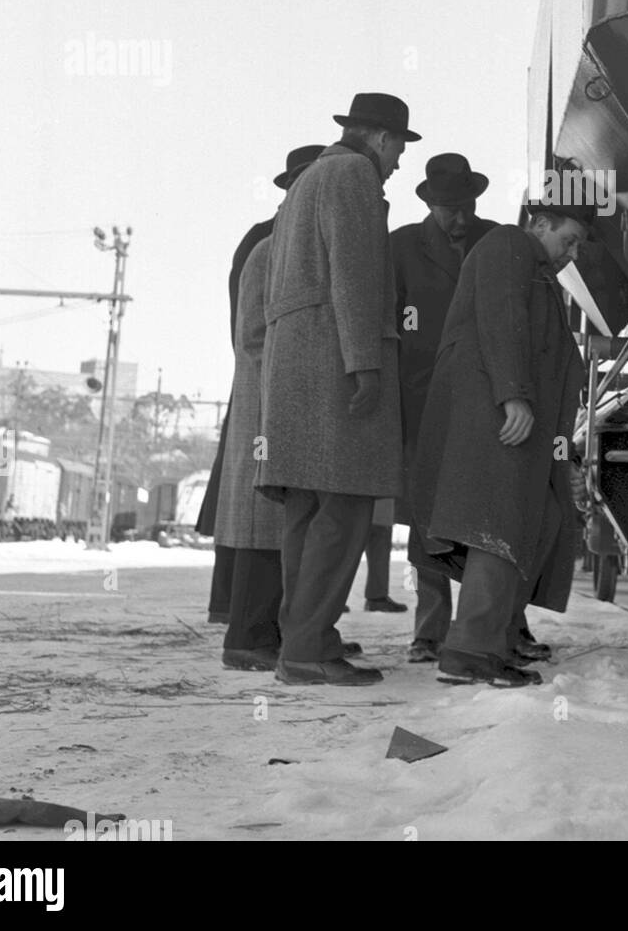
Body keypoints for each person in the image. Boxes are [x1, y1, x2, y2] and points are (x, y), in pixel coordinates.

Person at [256, 94, 417, 687]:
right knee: (345, 508)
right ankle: (305, 650)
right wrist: (364, 363)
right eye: (399, 146)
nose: (399, 160)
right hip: (335, 364)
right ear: (379, 138)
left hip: (297, 365)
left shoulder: (307, 182)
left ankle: (303, 639)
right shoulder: (353, 174)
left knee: (308, 508)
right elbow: (353, 272)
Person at [407, 201, 590, 687]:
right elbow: (501, 318)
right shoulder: (510, 244)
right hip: (496, 413)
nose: (571, 254)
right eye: (567, 239)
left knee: (536, 521)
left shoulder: (533, 266)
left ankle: (497, 642)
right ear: (541, 223)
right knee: (498, 525)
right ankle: (468, 652)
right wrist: (513, 395)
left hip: (520, 421)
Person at [197, 145, 322, 625]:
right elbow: (252, 330)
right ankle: (249, 626)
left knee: (260, 510)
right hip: (269, 386)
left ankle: (248, 618)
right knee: (258, 512)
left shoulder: (275, 237)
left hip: (268, 384)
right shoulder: (273, 242)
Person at [389, 153, 498, 662]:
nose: (462, 217)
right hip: (423, 400)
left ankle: (499, 629)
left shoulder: (495, 240)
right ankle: (428, 635)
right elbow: (391, 322)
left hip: (482, 399)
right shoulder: (402, 247)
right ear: (431, 203)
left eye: (469, 206)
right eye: (451, 208)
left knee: (491, 513)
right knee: (426, 521)